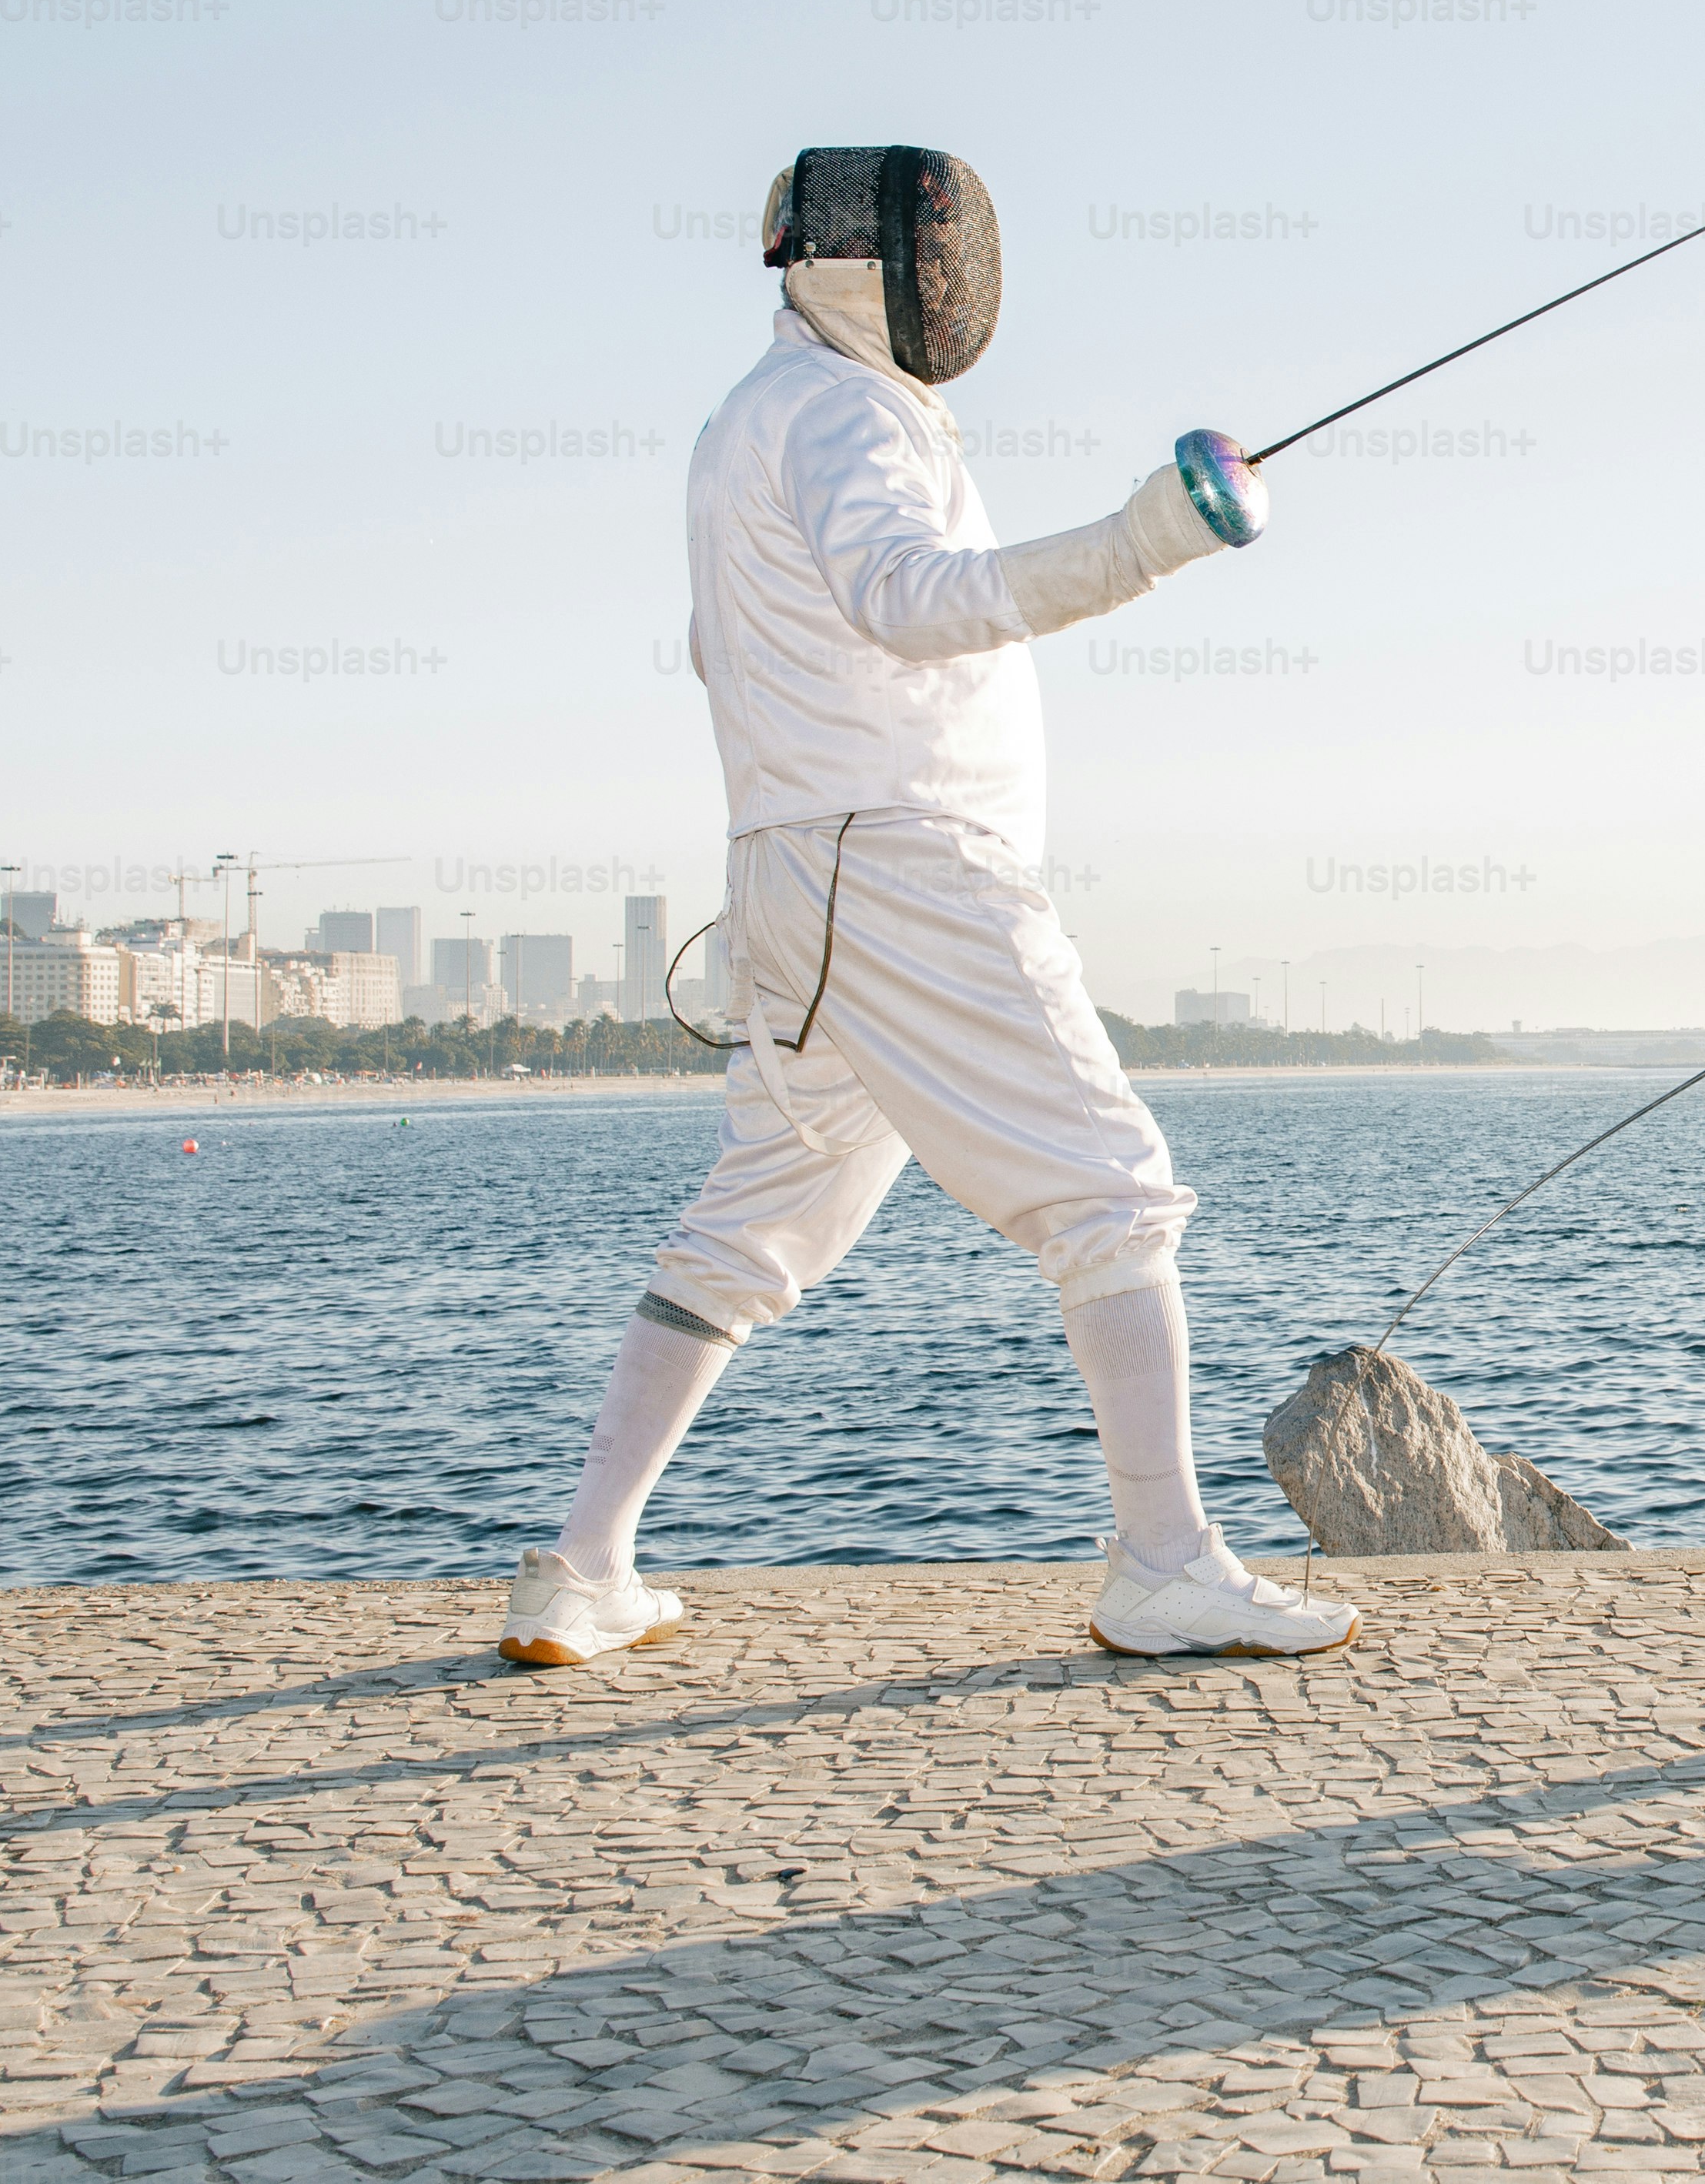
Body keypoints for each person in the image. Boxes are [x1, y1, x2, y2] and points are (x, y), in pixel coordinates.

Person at [498, 144, 1355, 1669]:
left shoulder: (748, 417)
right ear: (882, 264)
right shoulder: (844, 410)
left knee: (755, 1222)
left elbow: (719, 643)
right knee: (1110, 1191)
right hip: (902, 864)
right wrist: (1142, 542)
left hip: (796, 876)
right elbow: (903, 596)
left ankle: (583, 1567)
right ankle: (1164, 1561)